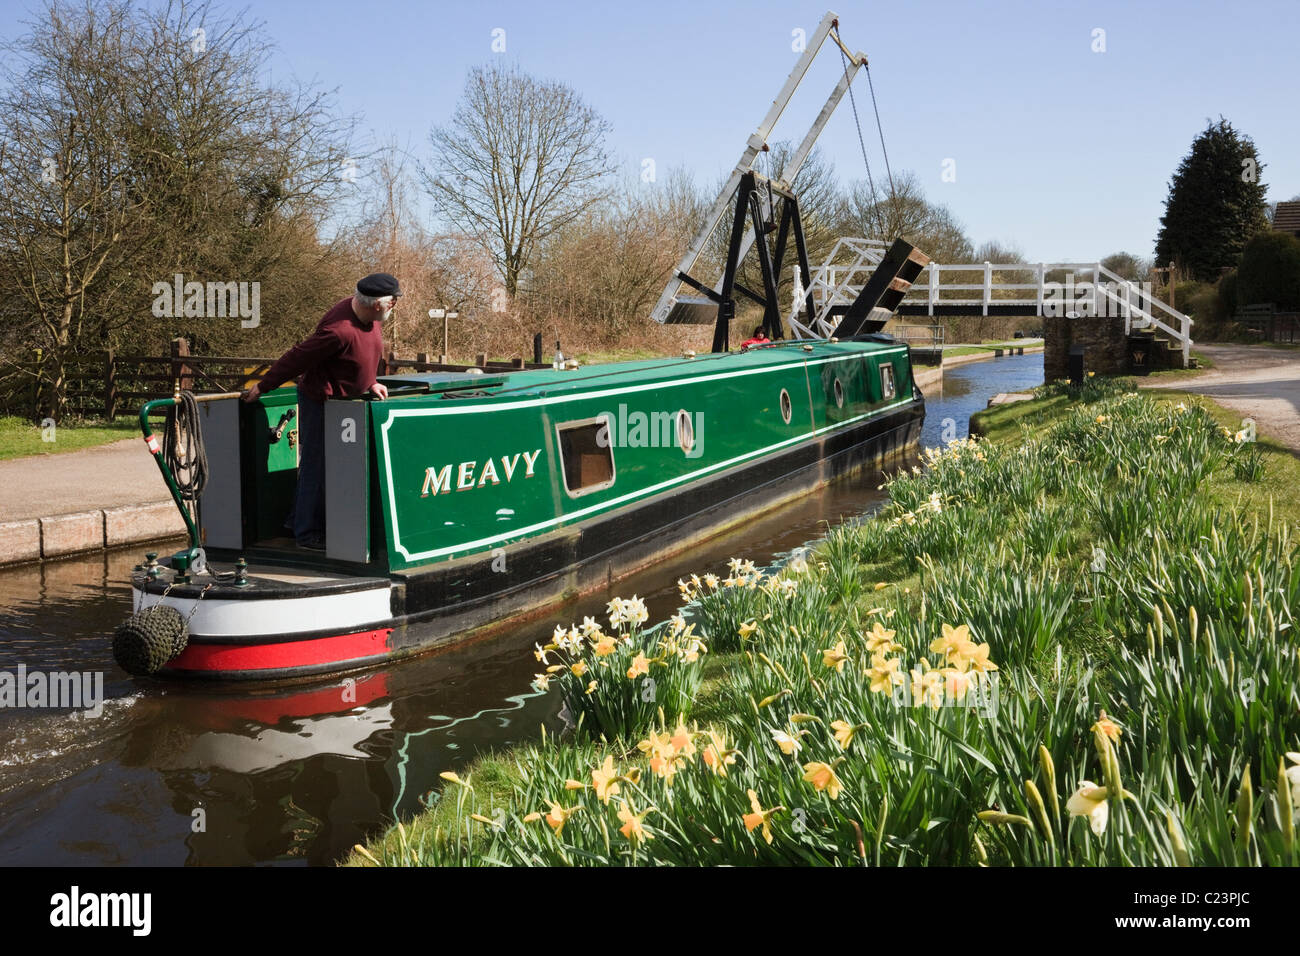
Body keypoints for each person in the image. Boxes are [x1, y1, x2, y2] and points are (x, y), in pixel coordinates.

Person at [241, 273, 400, 550]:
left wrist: (370, 381)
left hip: (344, 402)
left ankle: (294, 522)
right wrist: (263, 386)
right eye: (392, 302)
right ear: (376, 304)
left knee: (326, 465)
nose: (394, 306)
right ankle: (305, 534)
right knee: (316, 465)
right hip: (320, 402)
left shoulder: (370, 317)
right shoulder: (338, 330)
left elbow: (363, 354)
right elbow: (297, 358)